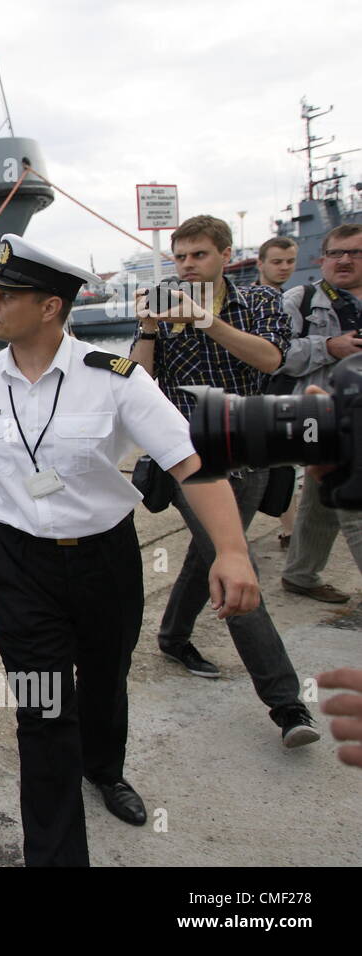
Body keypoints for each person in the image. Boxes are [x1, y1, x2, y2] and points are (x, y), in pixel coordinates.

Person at [0, 234, 260, 866]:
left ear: (50, 307)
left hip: (102, 560)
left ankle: (105, 768)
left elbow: (191, 462)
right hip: (21, 563)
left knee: (104, 680)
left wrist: (231, 551)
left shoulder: (115, 379)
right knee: (41, 710)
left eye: (8, 294)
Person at [129, 214, 318, 747]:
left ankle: (172, 636)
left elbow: (272, 359)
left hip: (250, 448)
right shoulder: (162, 306)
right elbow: (138, 383)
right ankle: (287, 705)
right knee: (236, 564)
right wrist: (148, 328)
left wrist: (208, 321)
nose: (187, 266)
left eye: (198, 256)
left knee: (207, 555)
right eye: (180, 257)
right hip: (190, 456)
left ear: (225, 253)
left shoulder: (259, 302)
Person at [278, 224, 362, 602]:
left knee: (319, 499)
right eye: (336, 253)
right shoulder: (304, 298)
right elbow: (277, 356)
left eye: (356, 253)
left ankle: (300, 573)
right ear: (322, 258)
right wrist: (330, 345)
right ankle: (301, 573)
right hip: (323, 414)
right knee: (350, 505)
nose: (344, 260)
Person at [252, 237, 300, 547]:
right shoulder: (248, 303)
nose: (283, 268)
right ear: (261, 263)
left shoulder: (295, 299)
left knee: (286, 464)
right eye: (276, 262)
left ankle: (290, 530)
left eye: (289, 262)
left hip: (283, 391)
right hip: (253, 395)